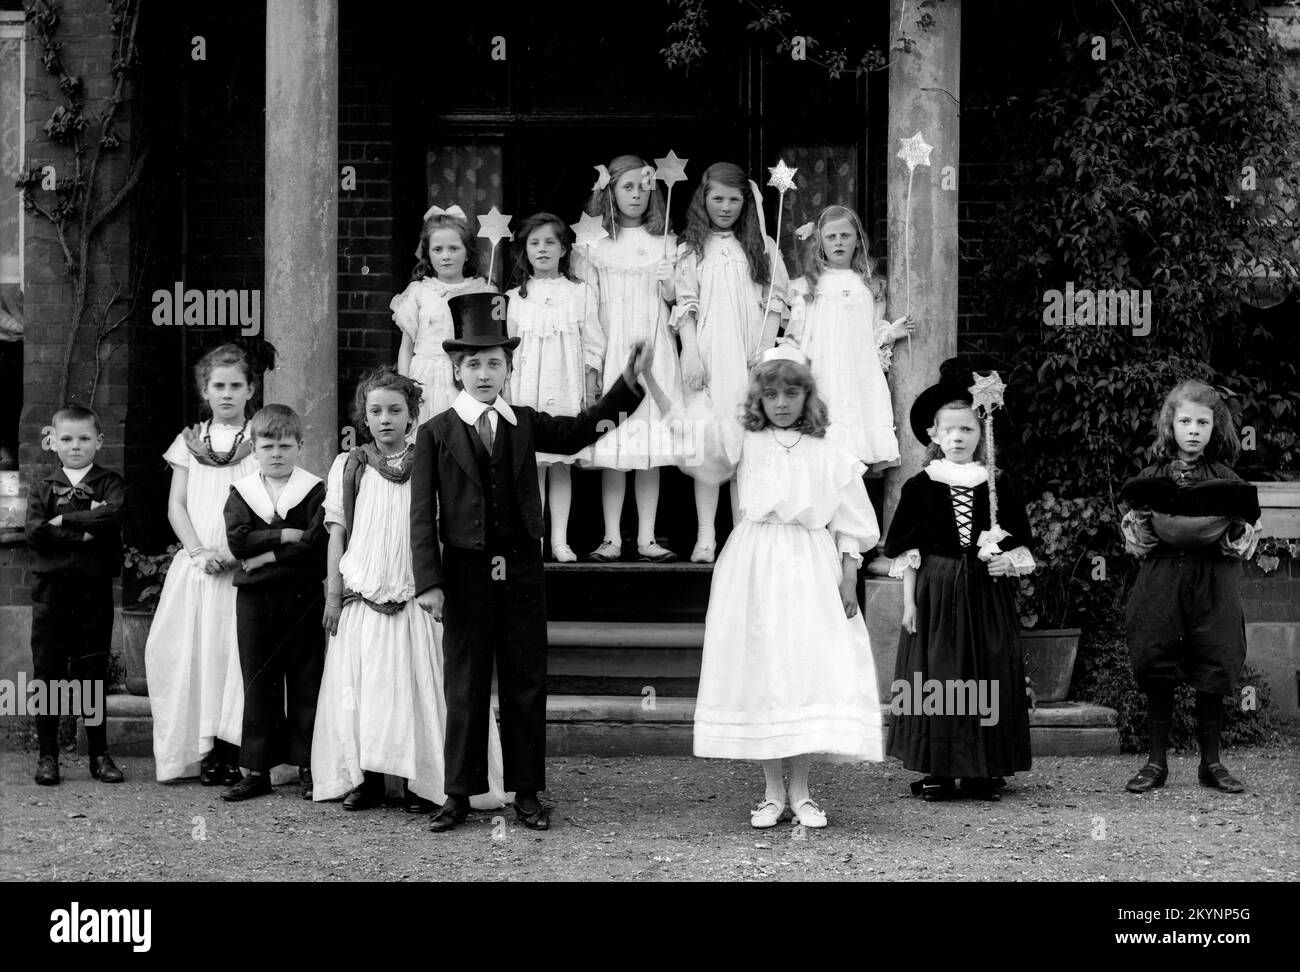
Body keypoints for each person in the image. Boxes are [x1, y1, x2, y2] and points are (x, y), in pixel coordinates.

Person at [410, 292, 654, 833]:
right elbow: (422, 513)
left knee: (525, 681)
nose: (483, 373)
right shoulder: (435, 432)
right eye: (473, 363)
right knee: (466, 685)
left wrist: (629, 385)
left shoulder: (522, 422)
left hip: (520, 569)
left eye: (494, 362)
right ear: (456, 369)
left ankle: (526, 793)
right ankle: (458, 794)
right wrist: (429, 581)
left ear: (509, 367)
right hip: (467, 574)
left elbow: (580, 432)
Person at [647, 345, 883, 828]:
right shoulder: (745, 441)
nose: (781, 402)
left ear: (806, 395)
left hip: (811, 560)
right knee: (765, 668)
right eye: (771, 393)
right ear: (759, 397)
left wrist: (848, 577)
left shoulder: (829, 447)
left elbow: (853, 520)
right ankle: (772, 793)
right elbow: (699, 451)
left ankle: (803, 793)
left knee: (803, 669)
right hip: (754, 561)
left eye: (791, 392)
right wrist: (652, 380)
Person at [312, 367, 508, 813]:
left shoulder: (431, 458)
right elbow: (337, 535)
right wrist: (333, 597)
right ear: (364, 416)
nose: (385, 419)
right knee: (368, 690)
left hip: (416, 593)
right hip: (365, 592)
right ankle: (370, 779)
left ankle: (421, 781)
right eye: (375, 410)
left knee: (419, 689)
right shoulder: (350, 465)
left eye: (395, 410)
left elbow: (444, 526)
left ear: (412, 415)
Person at [883, 358, 1035, 801]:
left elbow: (1022, 548)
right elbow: (909, 554)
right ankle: (937, 766)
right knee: (939, 675)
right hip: (937, 591)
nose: (958, 438)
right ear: (933, 434)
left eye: (967, 429)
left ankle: (982, 767)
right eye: (949, 430)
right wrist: (909, 604)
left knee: (987, 672)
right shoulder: (921, 485)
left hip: (986, 594)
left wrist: (1008, 562)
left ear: (981, 433)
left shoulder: (998, 484)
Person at [1119, 380, 1262, 794]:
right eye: (1185, 421)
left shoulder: (1227, 478)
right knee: (1157, 653)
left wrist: (1236, 525)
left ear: (1215, 427)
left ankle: (1211, 763)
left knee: (1214, 658)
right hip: (1162, 577)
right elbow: (1137, 543)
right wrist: (1144, 519)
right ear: (1171, 425)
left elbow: (1241, 542)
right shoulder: (1151, 476)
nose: (1194, 429)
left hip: (1214, 577)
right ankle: (1155, 762)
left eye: (1203, 421)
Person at [146, 341, 272, 783]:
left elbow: (270, 505)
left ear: (251, 389)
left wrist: (235, 552)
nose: (227, 394)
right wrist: (199, 552)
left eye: (236, 385)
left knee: (236, 658)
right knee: (197, 656)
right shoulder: (189, 444)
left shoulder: (260, 443)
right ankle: (205, 751)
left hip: (242, 567)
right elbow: (177, 506)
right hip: (200, 570)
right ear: (205, 389)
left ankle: (236, 748)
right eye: (218, 385)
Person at [674, 161, 789, 562]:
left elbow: (774, 303)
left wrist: (765, 351)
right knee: (709, 443)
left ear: (747, 202)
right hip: (708, 354)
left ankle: (743, 536)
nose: (725, 207)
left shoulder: (763, 249)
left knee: (748, 444)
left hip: (749, 356)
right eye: (717, 198)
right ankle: (706, 537)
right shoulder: (691, 250)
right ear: (704, 199)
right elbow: (685, 306)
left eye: (734, 199)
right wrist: (690, 351)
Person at [572, 155, 682, 562]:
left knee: (649, 449)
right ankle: (611, 537)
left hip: (655, 353)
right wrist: (593, 365)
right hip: (616, 349)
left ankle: (648, 537)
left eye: (642, 187)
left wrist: (670, 286)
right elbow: (589, 308)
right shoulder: (594, 246)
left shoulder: (668, 242)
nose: (636, 195)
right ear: (611, 192)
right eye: (627, 187)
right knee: (616, 448)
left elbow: (681, 306)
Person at [221, 405, 328, 801]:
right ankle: (258, 769)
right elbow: (237, 542)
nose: (277, 453)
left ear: (300, 446)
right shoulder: (243, 492)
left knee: (305, 677)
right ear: (254, 447)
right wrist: (284, 538)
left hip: (302, 596)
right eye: (268, 445)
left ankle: (307, 765)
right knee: (258, 680)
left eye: (286, 445)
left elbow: (316, 546)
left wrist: (263, 555)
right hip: (254, 600)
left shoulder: (315, 490)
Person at [26, 405, 127, 785]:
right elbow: (35, 533)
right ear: (52, 442)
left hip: (92, 591)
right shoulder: (41, 487)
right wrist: (86, 531)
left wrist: (62, 521)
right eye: (67, 439)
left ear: (99, 441)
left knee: (91, 672)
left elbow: (114, 517)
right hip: (50, 593)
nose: (76, 446)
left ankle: (99, 755)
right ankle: (48, 755)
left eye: (85, 438)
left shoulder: (110, 484)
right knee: (48, 672)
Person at [506, 212, 605, 562]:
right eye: (534, 243)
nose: (542, 249)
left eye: (550, 242)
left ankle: (561, 540)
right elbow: (506, 351)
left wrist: (592, 385)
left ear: (564, 249)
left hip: (565, 383)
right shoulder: (513, 298)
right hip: (527, 385)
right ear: (525, 251)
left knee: (561, 461)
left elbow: (594, 340)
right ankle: (537, 540)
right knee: (532, 465)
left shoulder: (579, 292)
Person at [786, 204, 912, 473]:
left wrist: (890, 333)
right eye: (831, 237)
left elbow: (870, 333)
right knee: (822, 451)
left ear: (858, 241)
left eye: (846, 236)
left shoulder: (869, 285)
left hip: (858, 375)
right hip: (823, 373)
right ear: (820, 242)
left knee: (854, 451)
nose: (839, 242)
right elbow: (797, 335)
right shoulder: (808, 286)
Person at [392, 204, 498, 427]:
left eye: (453, 248)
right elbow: (406, 346)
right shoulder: (419, 292)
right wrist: (403, 386)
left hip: (466, 374)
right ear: (428, 254)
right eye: (438, 250)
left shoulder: (482, 290)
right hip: (425, 375)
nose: (446, 256)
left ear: (467, 252)